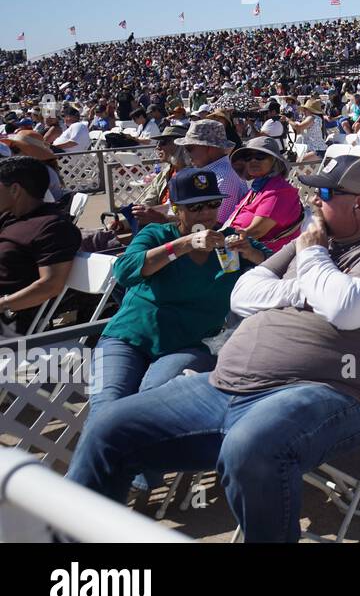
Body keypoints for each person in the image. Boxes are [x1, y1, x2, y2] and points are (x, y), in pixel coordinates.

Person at [66, 154, 360, 543]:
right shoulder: (310, 245)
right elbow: (243, 294)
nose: (312, 202)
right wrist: (308, 289)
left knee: (251, 447)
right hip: (227, 383)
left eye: (322, 193)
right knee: (110, 426)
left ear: (358, 202)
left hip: (330, 390)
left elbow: (345, 307)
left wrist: (310, 253)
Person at [88, 168, 268, 419]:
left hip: (188, 345)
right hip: (128, 336)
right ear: (175, 208)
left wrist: (253, 254)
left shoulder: (231, 241)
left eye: (213, 204)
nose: (206, 213)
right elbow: (124, 271)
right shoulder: (157, 234)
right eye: (195, 207)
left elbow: (281, 268)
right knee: (104, 411)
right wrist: (182, 246)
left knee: (148, 403)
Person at [0, 156, 80, 335]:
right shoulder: (10, 218)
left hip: (12, 320)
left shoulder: (53, 227)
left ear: (15, 189)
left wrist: (3, 303)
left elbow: (50, 285)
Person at [226, 137, 305, 254]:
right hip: (239, 251)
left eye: (260, 156)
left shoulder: (280, 192)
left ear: (274, 161)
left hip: (266, 260)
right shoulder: (257, 188)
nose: (253, 161)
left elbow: (255, 232)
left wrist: (219, 240)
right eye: (248, 157)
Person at [173, 120, 248, 225]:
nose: (186, 152)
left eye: (189, 148)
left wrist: (162, 218)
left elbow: (213, 224)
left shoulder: (224, 177)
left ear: (209, 148)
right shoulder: (213, 173)